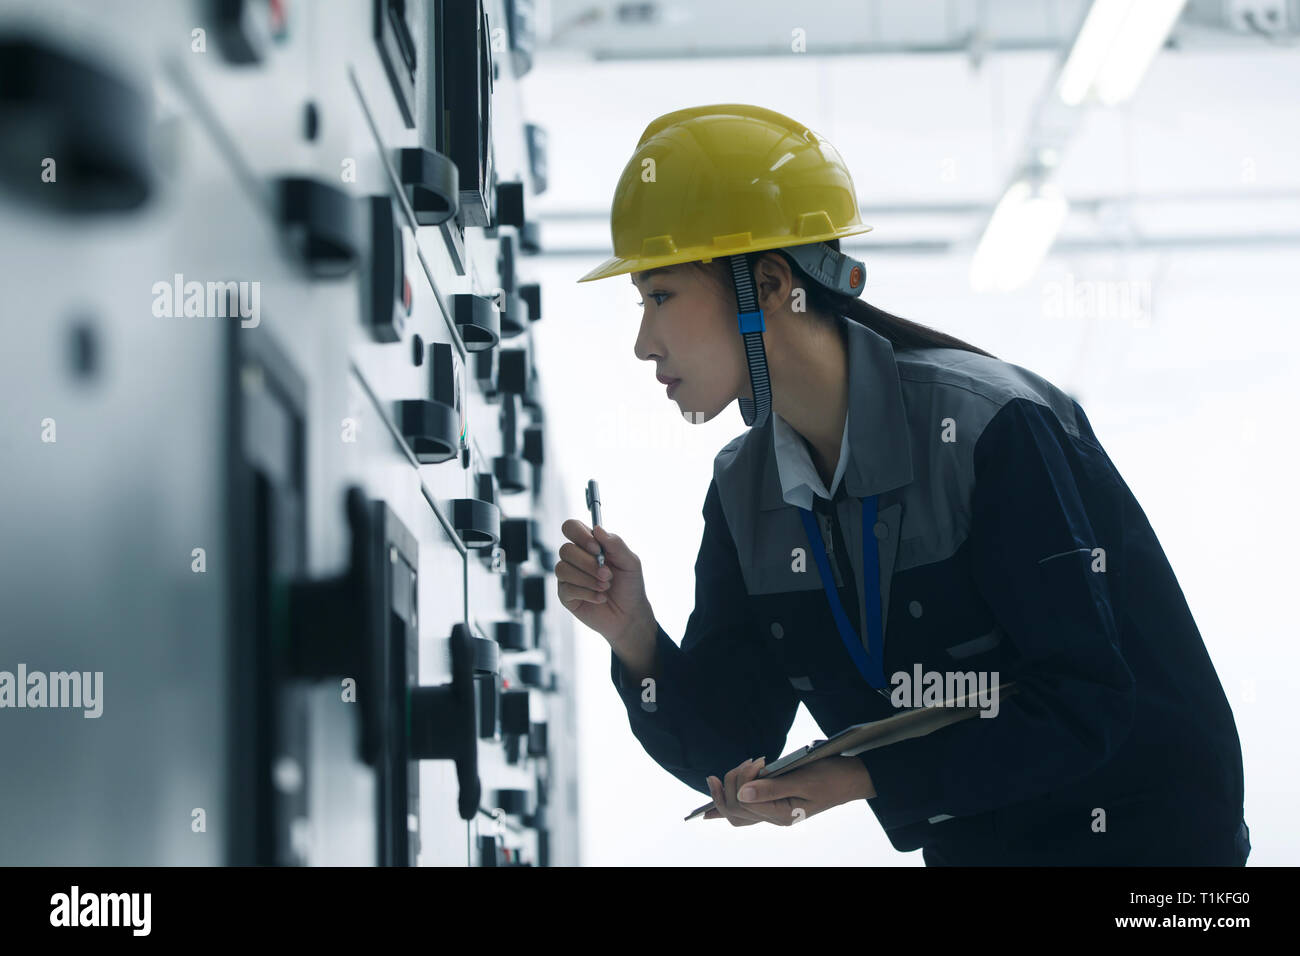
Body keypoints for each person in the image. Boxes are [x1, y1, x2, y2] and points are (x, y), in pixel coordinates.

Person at [556, 104, 1249, 865]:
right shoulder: (744, 492)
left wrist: (860, 777)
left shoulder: (990, 427)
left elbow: (1085, 705)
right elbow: (735, 748)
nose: (641, 343)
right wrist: (635, 637)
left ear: (769, 284)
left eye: (659, 297)